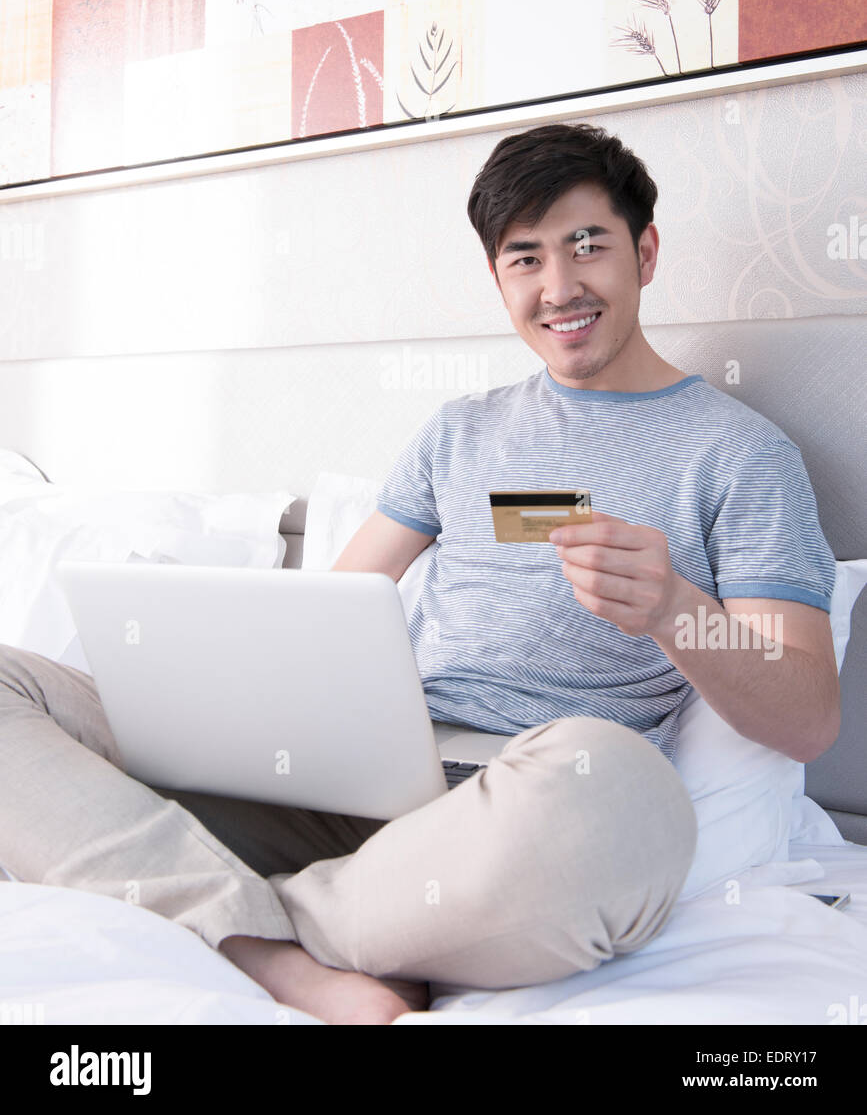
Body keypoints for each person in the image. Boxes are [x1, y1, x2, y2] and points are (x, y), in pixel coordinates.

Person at [0, 122, 839, 1026]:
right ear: (498, 280)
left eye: (586, 245)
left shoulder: (741, 456)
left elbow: (805, 715)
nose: (559, 287)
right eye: (525, 259)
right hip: (344, 777)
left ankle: (211, 899)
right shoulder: (458, 434)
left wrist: (678, 610)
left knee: (623, 798)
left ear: (645, 251)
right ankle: (285, 944)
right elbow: (327, 611)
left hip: (517, 806)